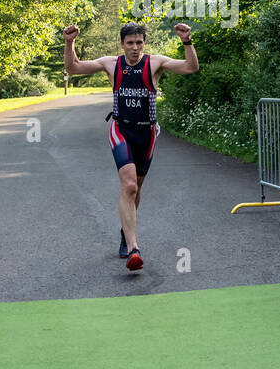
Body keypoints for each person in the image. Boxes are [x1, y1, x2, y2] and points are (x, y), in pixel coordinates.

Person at [62, 22, 199, 271]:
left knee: (136, 190)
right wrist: (69, 42)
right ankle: (134, 247)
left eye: (139, 43)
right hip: (121, 129)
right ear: (122, 44)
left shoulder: (155, 63)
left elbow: (191, 67)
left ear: (144, 43)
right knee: (129, 185)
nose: (135, 48)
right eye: (130, 43)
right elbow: (73, 68)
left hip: (146, 133)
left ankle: (126, 232)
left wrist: (187, 42)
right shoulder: (112, 64)